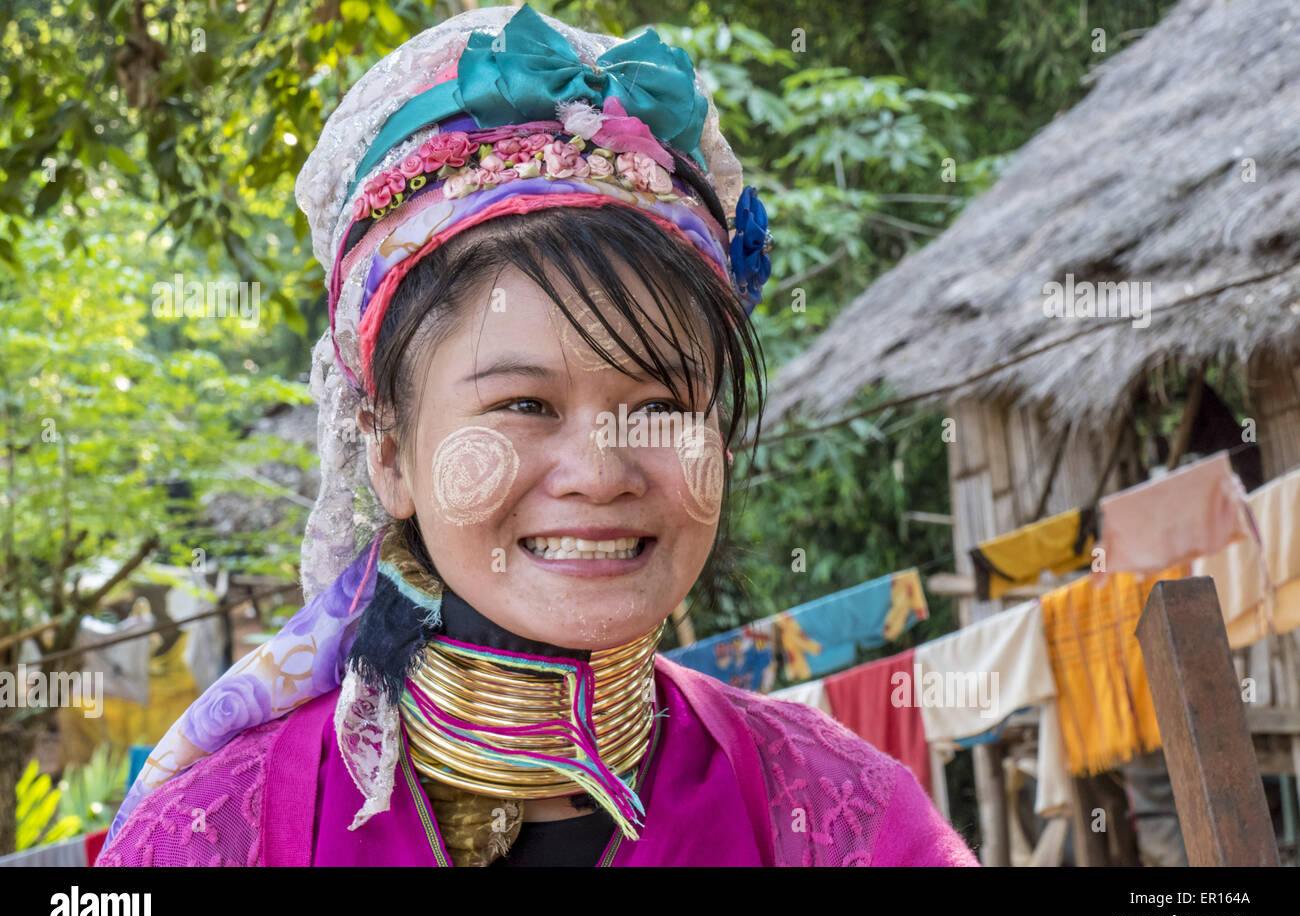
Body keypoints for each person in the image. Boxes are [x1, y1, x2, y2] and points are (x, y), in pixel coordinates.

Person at [97, 3, 977, 867]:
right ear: (390, 451)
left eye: (662, 405)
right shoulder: (211, 840)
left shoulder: (848, 825)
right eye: (524, 405)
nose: (600, 474)